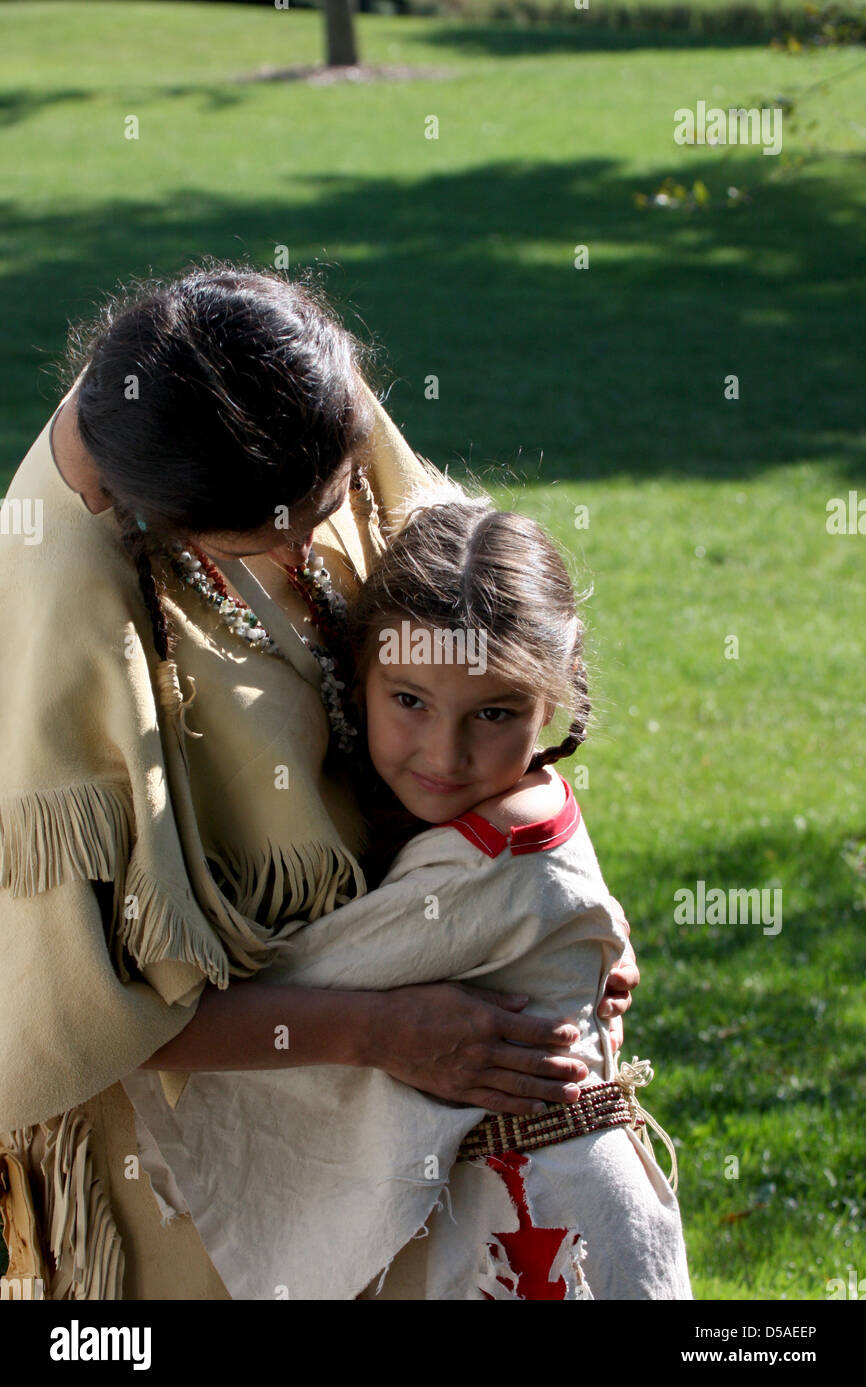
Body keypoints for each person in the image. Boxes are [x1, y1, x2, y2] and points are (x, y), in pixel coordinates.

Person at [0, 264, 637, 1300]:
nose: (315, 550)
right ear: (160, 523)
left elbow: (492, 644)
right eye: (274, 535)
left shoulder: (284, 390)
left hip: (410, 1045)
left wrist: (563, 907)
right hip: (196, 1143)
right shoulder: (60, 620)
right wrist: (374, 1029)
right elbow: (78, 1017)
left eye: (330, 503)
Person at [120, 500, 691, 1301]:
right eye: (410, 701)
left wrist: (111, 1023)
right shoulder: (520, 806)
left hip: (539, 1235)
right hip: (553, 1213)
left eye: (495, 714)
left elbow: (207, 1015)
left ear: (556, 696)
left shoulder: (492, 857)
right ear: (358, 678)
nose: (445, 753)